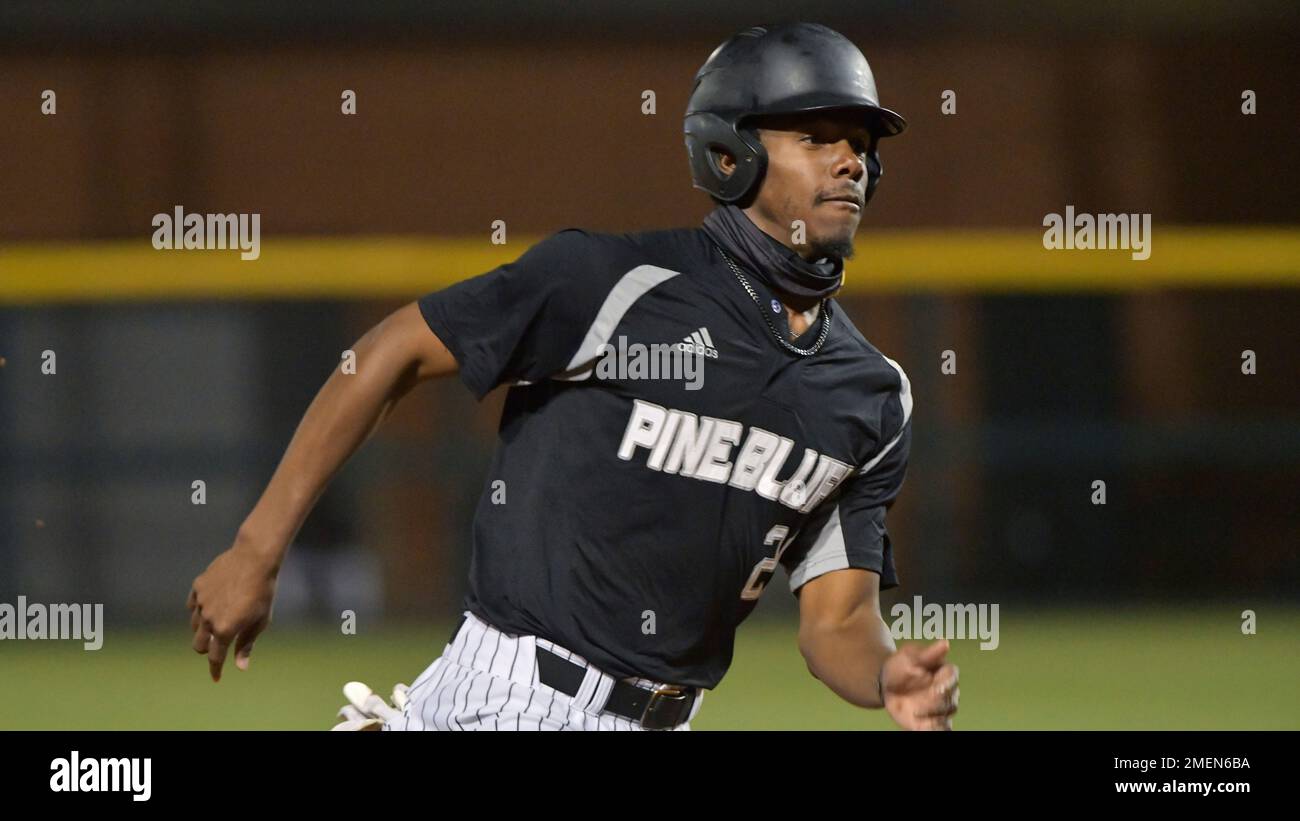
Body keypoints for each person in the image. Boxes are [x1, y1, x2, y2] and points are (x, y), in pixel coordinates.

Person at [187, 21, 959, 731]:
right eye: (815, 135)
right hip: (511, 695)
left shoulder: (870, 395)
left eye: (859, 141)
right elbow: (392, 351)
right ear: (732, 153)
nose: (851, 159)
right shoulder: (611, 282)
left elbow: (836, 620)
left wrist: (887, 673)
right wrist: (258, 548)